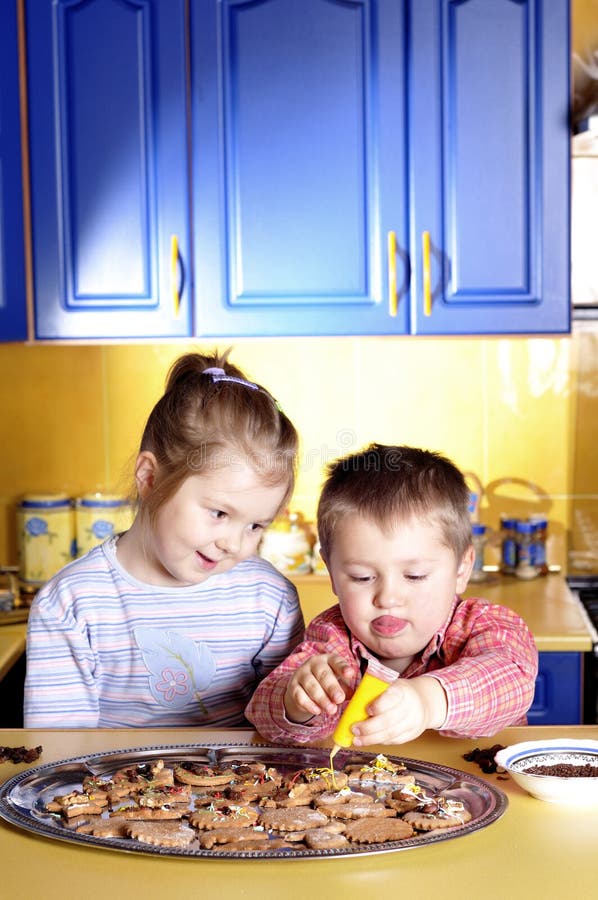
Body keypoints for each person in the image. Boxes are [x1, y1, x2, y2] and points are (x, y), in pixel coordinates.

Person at [24, 351, 304, 728]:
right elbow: (57, 757)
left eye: (256, 526)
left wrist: (301, 707)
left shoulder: (270, 599)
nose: (234, 544)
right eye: (219, 514)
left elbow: (287, 734)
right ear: (150, 479)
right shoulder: (72, 605)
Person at [246, 444, 538, 746]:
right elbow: (263, 713)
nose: (387, 597)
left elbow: (511, 679)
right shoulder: (331, 639)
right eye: (363, 577)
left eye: (415, 576)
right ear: (332, 574)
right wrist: (297, 703)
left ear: (462, 569)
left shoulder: (486, 625)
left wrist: (428, 701)